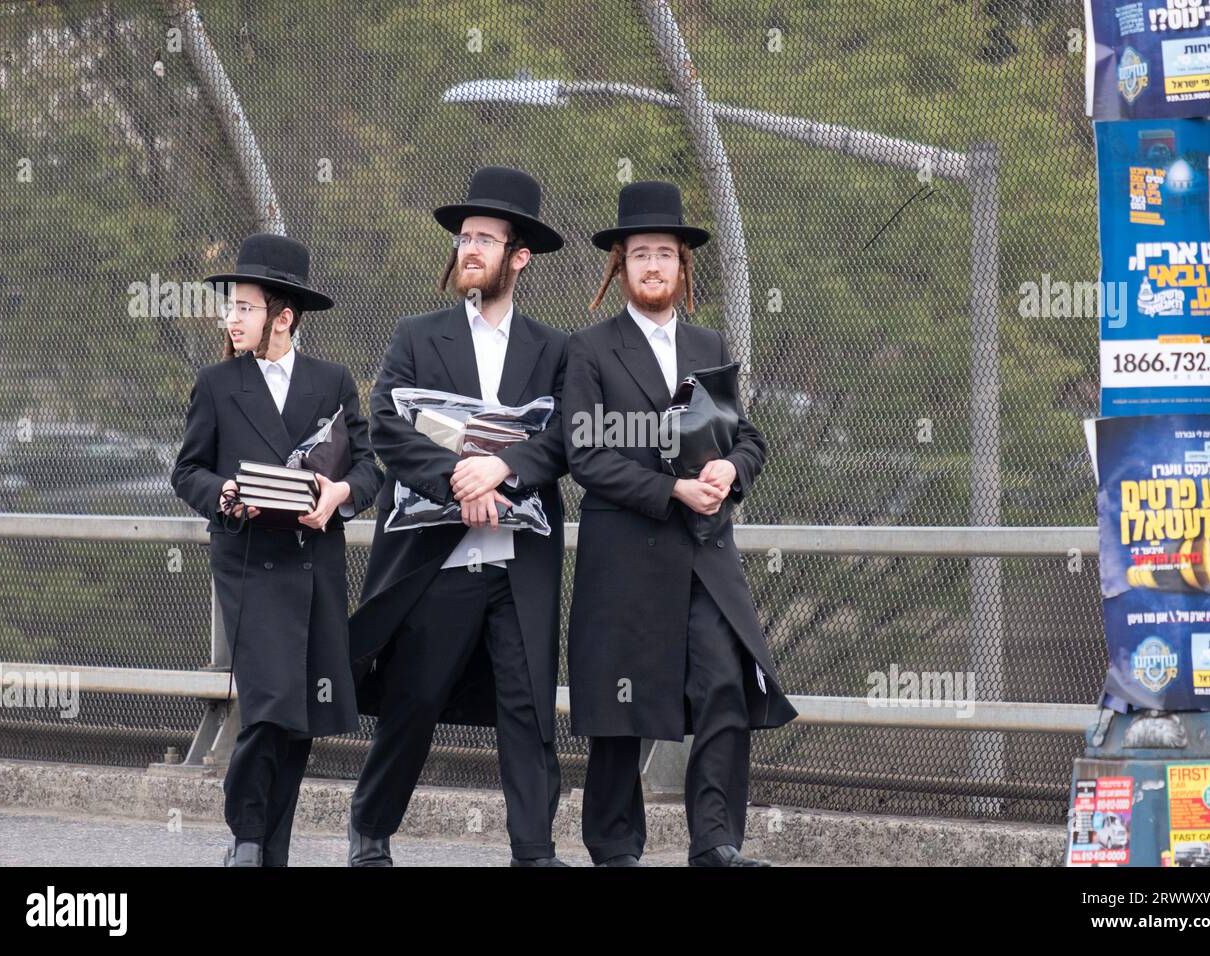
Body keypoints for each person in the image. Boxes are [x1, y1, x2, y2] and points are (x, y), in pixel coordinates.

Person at [564, 181, 798, 867]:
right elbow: (585, 455)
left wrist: (731, 474)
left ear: (682, 267)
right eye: (640, 254)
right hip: (626, 555)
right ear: (620, 267)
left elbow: (746, 436)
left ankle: (716, 843)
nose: (654, 266)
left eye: (665, 254)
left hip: (703, 556)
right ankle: (614, 848)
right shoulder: (591, 350)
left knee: (726, 683)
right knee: (620, 704)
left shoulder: (707, 343)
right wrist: (673, 490)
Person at [347, 166, 569, 867]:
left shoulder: (555, 349)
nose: (468, 249)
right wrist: (457, 480)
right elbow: (387, 424)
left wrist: (502, 468)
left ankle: (534, 851)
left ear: (519, 255)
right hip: (436, 556)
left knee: (529, 710)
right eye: (464, 237)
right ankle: (370, 831)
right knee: (413, 701)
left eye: (484, 239)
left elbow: (565, 437)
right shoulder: (418, 334)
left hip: (519, 561)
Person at [171, 232, 383, 866]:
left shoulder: (333, 381)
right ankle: (246, 836)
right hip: (249, 568)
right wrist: (229, 494)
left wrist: (338, 492)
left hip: (314, 567)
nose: (231, 318)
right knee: (266, 709)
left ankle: (271, 850)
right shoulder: (216, 383)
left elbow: (371, 467)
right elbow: (187, 472)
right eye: (231, 306)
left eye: (245, 306)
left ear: (283, 317)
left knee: (299, 721)